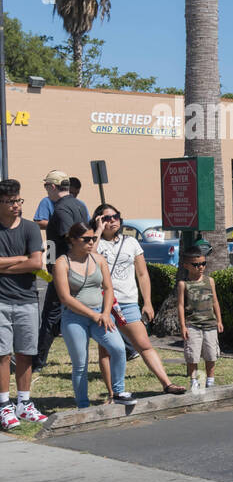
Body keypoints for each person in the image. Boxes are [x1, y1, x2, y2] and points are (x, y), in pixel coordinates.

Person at [92, 204, 187, 396]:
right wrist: (98, 231)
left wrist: (148, 302)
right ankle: (113, 393)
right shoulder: (94, 242)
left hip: (127, 302)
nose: (112, 221)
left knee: (144, 344)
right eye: (106, 218)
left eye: (115, 216)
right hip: (102, 303)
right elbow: (89, 259)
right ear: (99, 220)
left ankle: (167, 384)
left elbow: (142, 274)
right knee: (106, 350)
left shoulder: (131, 243)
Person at [53, 222, 130, 408]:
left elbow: (108, 288)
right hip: (74, 317)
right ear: (72, 240)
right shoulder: (62, 263)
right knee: (80, 363)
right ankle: (83, 404)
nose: (91, 242)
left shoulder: (98, 259)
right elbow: (65, 298)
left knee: (118, 348)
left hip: (100, 314)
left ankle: (118, 391)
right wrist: (93, 316)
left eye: (93, 239)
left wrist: (104, 313)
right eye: (86, 239)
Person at [0, 180, 49, 429]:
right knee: (2, 354)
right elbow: (27, 261)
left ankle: (24, 403)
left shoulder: (30, 228)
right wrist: (21, 258)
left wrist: (8, 262)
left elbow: (36, 264)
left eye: (18, 200)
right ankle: (4, 405)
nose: (16, 206)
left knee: (25, 353)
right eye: (10, 201)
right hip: (0, 301)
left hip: (27, 300)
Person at [33, 170, 89, 372]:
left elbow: (71, 237)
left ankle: (37, 362)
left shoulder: (61, 209)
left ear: (53, 187)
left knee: (50, 313)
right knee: (86, 311)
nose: (46, 190)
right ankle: (126, 347)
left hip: (63, 268)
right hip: (76, 265)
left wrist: (61, 266)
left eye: (46, 186)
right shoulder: (79, 205)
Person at [176, 246, 223, 393]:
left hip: (210, 324)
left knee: (211, 353)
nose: (200, 267)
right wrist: (183, 326)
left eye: (203, 264)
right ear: (186, 265)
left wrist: (219, 321)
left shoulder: (210, 281)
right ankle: (195, 380)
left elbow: (215, 301)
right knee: (193, 355)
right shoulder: (184, 284)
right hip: (193, 325)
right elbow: (181, 306)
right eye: (196, 265)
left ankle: (210, 379)